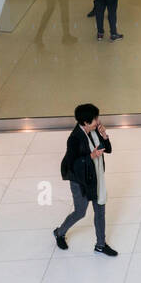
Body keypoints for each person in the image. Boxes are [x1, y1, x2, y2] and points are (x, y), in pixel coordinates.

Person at [54, 103, 117, 256]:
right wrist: (91, 156)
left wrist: (104, 136)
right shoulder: (74, 139)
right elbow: (72, 164)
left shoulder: (94, 131)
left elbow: (107, 150)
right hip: (80, 181)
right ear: (85, 123)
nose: (98, 121)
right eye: (95, 119)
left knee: (100, 210)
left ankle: (101, 245)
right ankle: (60, 232)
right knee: (80, 212)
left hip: (96, 177)